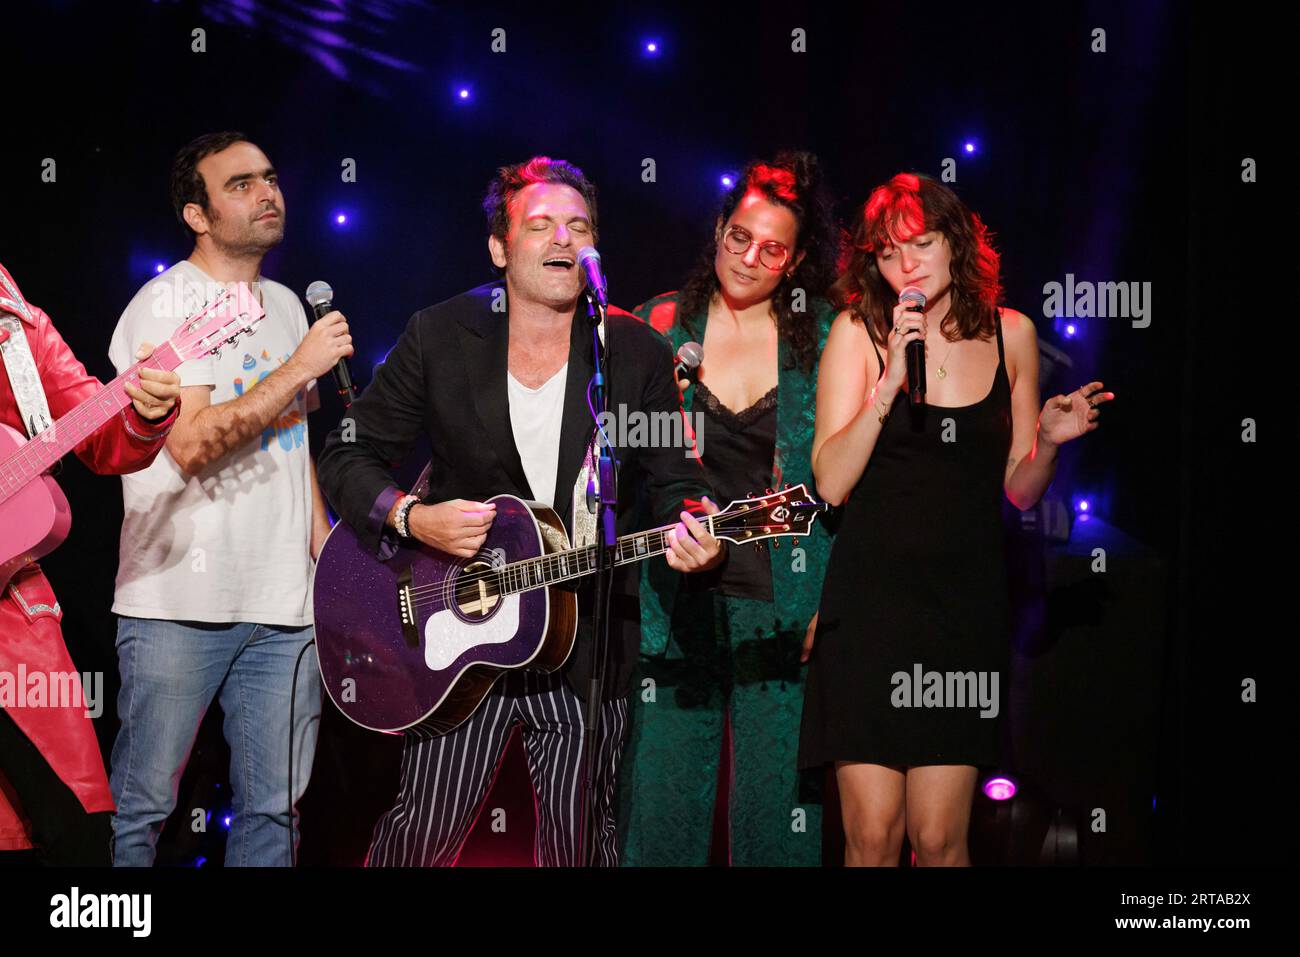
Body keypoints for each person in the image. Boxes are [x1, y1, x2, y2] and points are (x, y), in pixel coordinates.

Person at [316, 155, 724, 867]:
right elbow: (347, 454)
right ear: (500, 247)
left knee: (580, 846)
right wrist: (414, 518)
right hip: (454, 630)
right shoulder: (441, 334)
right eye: (540, 225)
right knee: (419, 839)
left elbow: (674, 479)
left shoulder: (631, 350)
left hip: (584, 639)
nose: (563, 238)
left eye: (578, 226)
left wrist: (698, 525)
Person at [799, 172, 1114, 866]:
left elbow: (1021, 491)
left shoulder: (1013, 334)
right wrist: (885, 389)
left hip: (961, 612)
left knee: (940, 840)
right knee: (871, 838)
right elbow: (831, 481)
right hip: (870, 609)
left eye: (921, 242)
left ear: (957, 241)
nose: (905, 263)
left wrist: (1050, 444)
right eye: (886, 251)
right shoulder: (857, 331)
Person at [107, 131, 351, 866]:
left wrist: (327, 561)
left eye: (270, 177)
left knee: (274, 813)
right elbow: (191, 442)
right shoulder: (166, 303)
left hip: (283, 609)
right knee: (142, 812)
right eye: (240, 184)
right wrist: (299, 365)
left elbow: (292, 449)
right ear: (198, 214)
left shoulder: (282, 303)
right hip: (177, 602)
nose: (266, 192)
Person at [618, 151, 840, 866]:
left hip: (785, 599)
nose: (749, 257)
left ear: (796, 259)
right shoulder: (657, 322)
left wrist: (829, 601)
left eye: (773, 247)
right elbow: (620, 461)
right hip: (674, 599)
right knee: (662, 813)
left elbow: (853, 480)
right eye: (739, 236)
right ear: (717, 230)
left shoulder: (830, 334)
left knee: (780, 820)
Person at [0, 260, 181, 864]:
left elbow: (98, 435)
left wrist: (145, 413)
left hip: (11, 630)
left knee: (70, 835)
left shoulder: (17, 322)